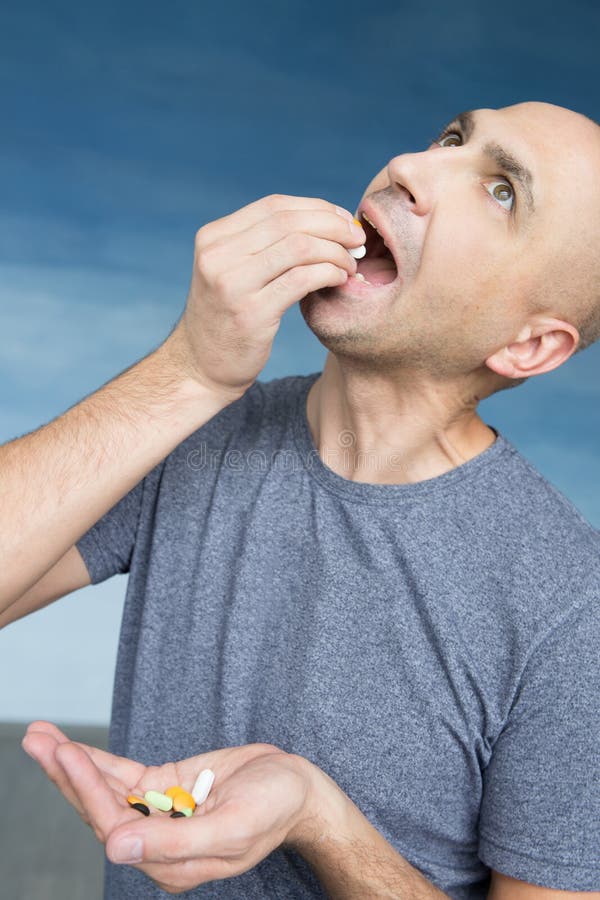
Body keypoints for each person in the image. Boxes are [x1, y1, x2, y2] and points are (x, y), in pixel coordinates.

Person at [3, 100, 600, 900]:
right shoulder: (198, 430)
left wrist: (318, 819)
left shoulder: (571, 605)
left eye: (502, 192)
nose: (411, 169)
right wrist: (190, 373)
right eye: (451, 139)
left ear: (528, 345)